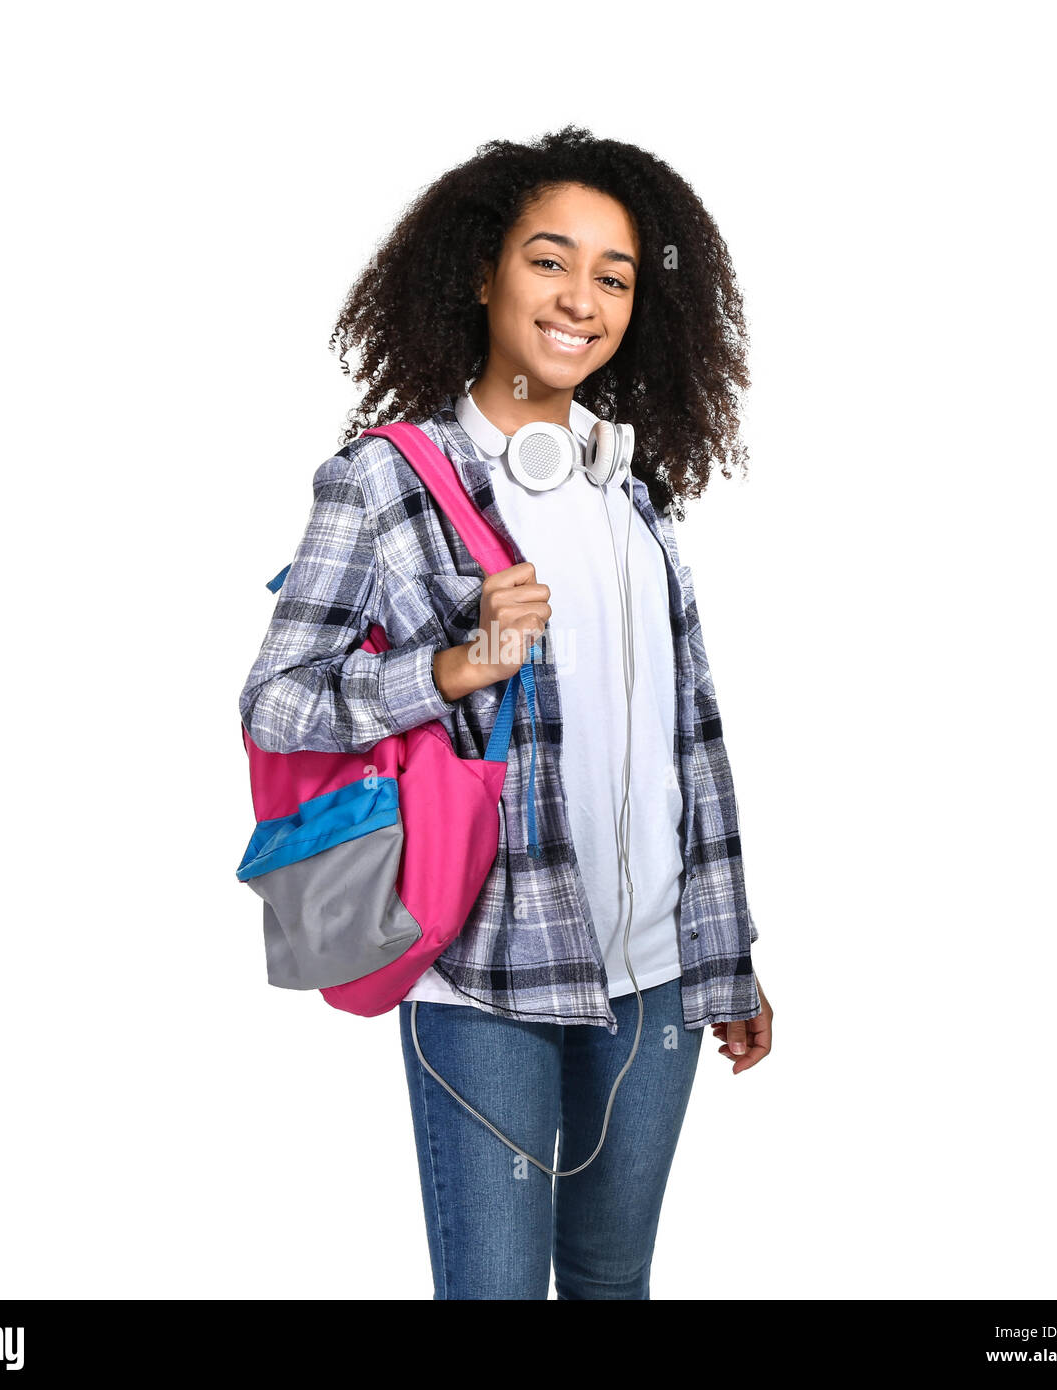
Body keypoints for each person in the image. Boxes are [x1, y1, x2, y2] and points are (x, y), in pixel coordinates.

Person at [239, 125, 773, 1300]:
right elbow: (274, 703)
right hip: (484, 976)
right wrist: (444, 670)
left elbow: (690, 743)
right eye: (548, 260)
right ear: (481, 272)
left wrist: (721, 956)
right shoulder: (388, 478)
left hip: (652, 982)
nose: (580, 298)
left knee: (609, 1280)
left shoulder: (630, 489)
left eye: (614, 276)